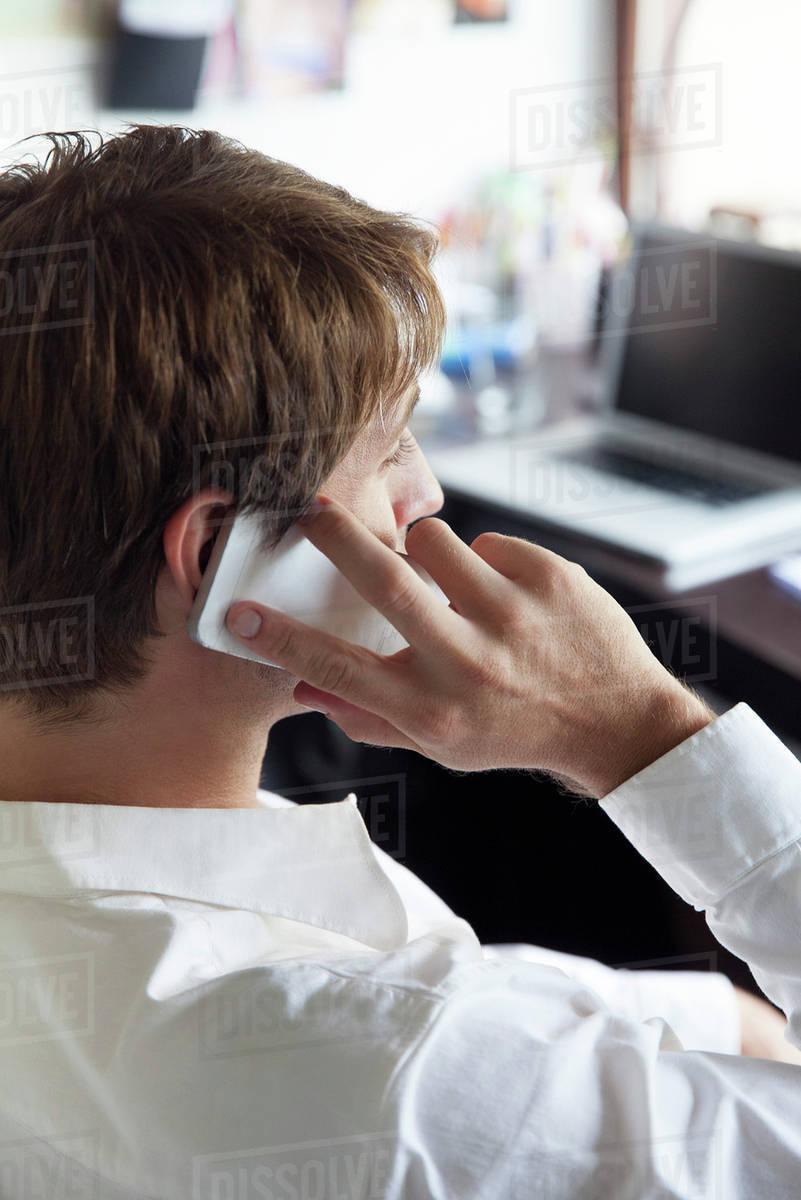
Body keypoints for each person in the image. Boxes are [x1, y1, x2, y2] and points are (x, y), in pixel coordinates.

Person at [0, 123, 799, 1199]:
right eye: (389, 449)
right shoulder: (399, 1088)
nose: (426, 494)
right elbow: (422, 1066)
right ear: (214, 555)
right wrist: (640, 732)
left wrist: (690, 1013)